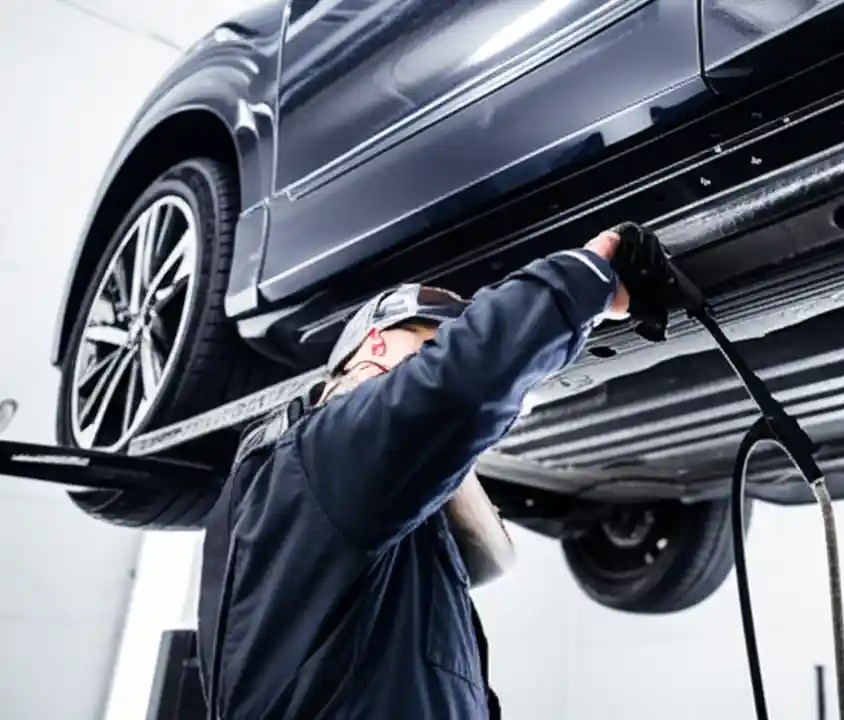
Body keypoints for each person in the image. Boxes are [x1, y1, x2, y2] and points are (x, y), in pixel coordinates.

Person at [197, 231, 631, 719]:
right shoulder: (317, 458)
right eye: (431, 344)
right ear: (375, 341)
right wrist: (582, 277)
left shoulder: (353, 508)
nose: (439, 358)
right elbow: (456, 387)